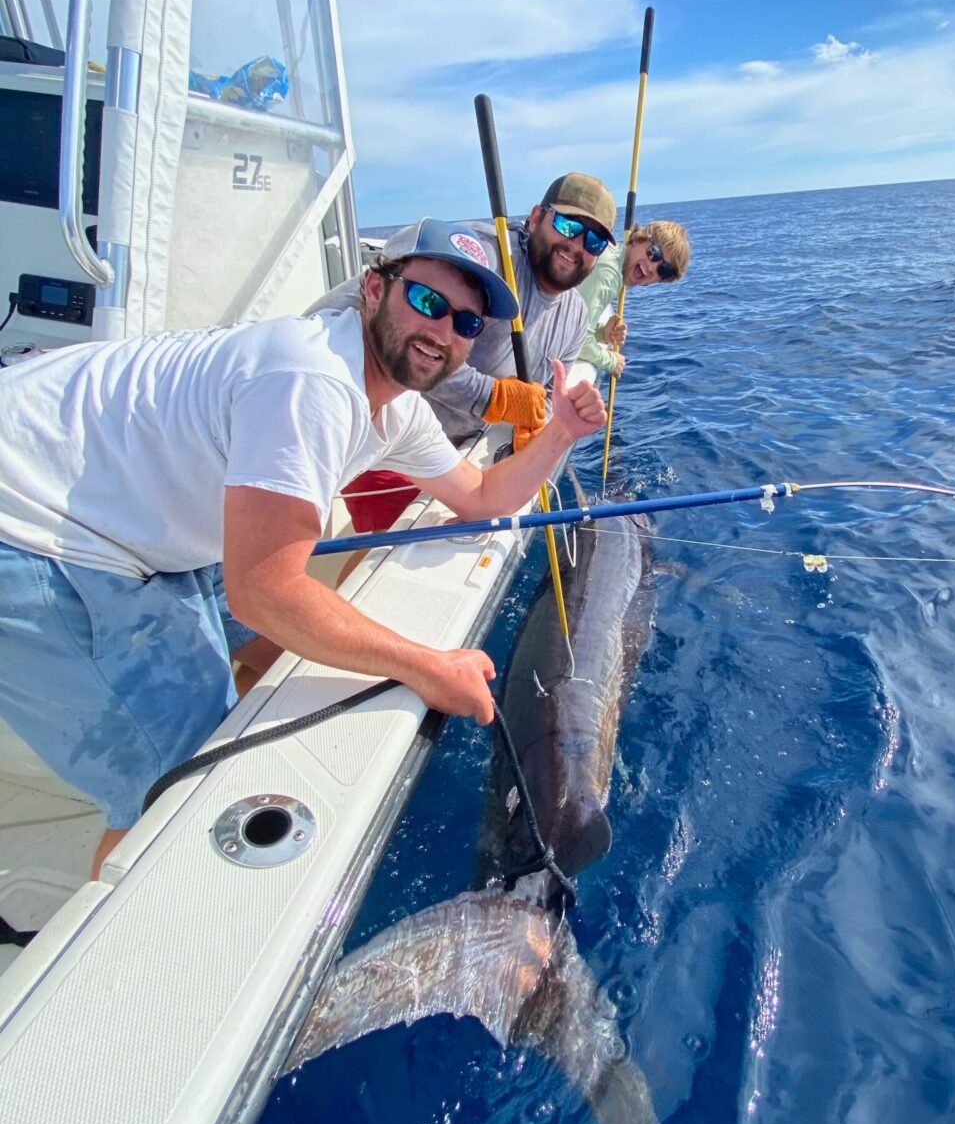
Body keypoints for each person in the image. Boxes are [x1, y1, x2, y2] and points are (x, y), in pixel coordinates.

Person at [0, 221, 607, 872]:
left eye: (465, 322)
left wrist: (561, 433)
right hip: (37, 524)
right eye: (428, 302)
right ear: (373, 289)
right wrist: (428, 668)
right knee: (183, 790)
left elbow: (482, 496)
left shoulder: (394, 407)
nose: (443, 332)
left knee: (288, 638)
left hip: (132, 518)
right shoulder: (315, 379)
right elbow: (264, 590)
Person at [315, 173, 619, 534]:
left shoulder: (575, 314)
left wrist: (541, 423)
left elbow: (549, 393)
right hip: (390, 448)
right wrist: (493, 397)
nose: (577, 244)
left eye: (595, 240)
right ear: (536, 217)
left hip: (455, 450)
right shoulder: (484, 257)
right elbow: (369, 318)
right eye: (568, 225)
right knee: (387, 550)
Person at [576, 220, 691, 377]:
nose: (652, 268)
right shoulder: (609, 273)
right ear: (637, 239)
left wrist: (602, 334)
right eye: (654, 253)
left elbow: (566, 322)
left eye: (663, 270)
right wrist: (611, 362)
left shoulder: (610, 255)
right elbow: (576, 340)